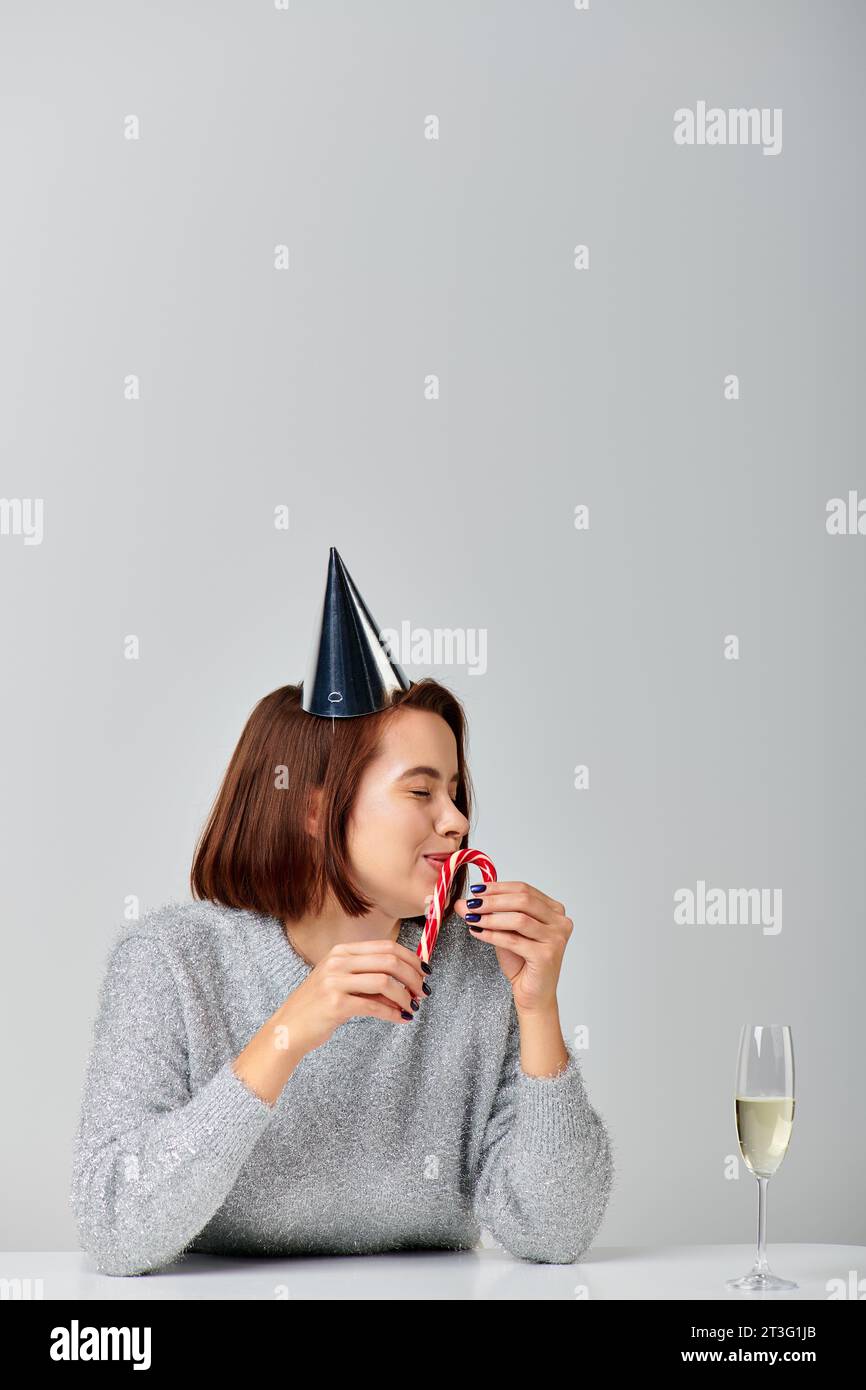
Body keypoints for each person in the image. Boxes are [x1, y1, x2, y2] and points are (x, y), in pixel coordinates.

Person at [69, 552, 615, 1275]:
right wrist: (288, 1033)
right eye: (420, 792)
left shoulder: (480, 965)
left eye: (455, 791)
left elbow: (555, 1231)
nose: (456, 820)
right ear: (314, 807)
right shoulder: (172, 963)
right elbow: (114, 1228)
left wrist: (539, 1008)